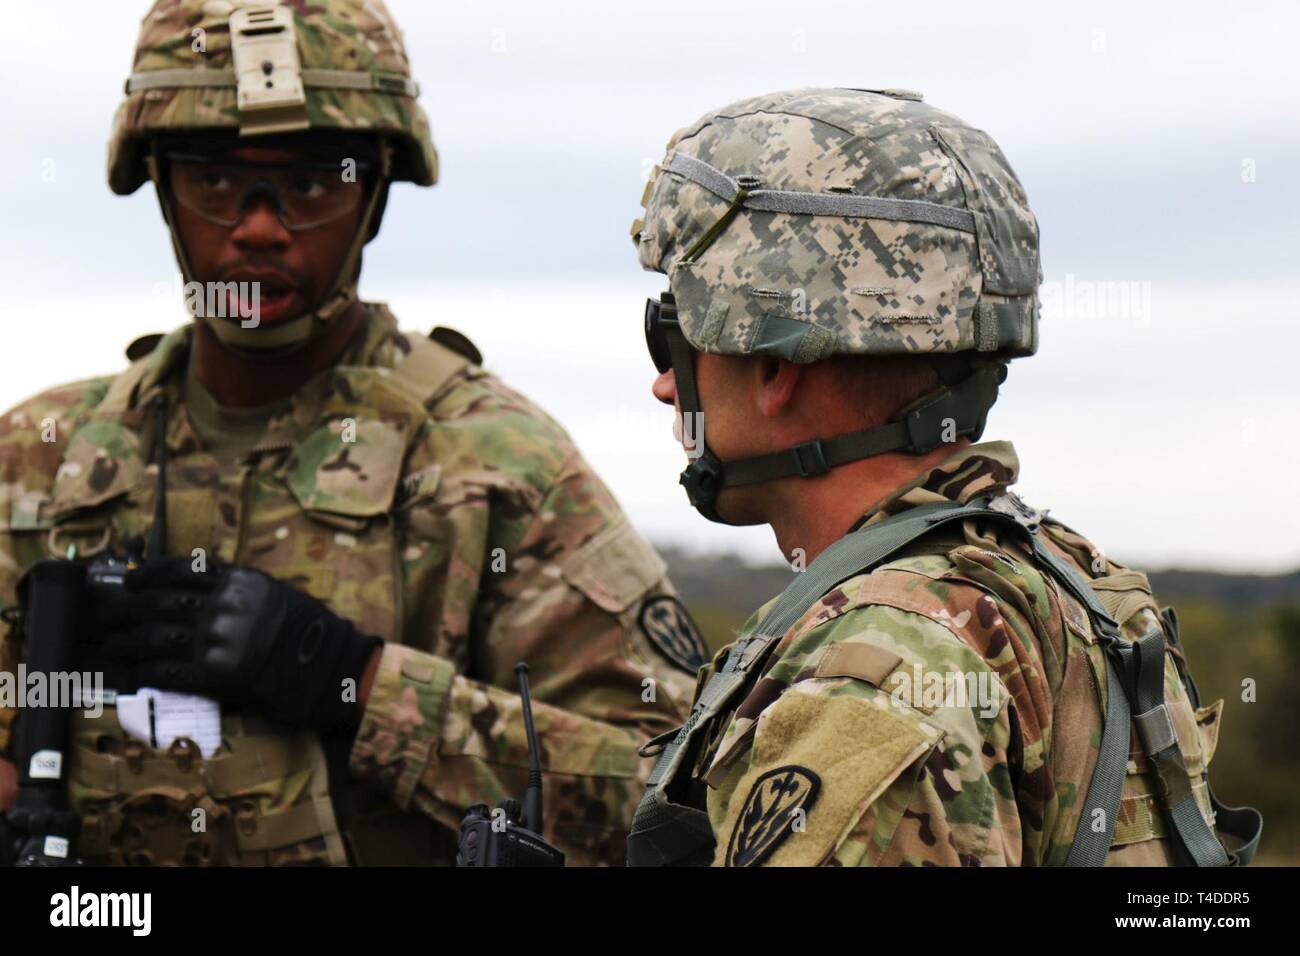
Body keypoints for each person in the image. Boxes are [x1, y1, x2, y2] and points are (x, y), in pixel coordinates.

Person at [0, 0, 703, 867]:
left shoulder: (495, 465)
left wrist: (358, 683)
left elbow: (678, 808)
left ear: (372, 191)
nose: (259, 227)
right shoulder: (38, 458)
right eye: (215, 179)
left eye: (311, 181)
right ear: (158, 184)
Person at [624, 87, 1261, 866]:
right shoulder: (1077, 591)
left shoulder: (875, 671)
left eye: (675, 337)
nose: (665, 384)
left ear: (775, 362)